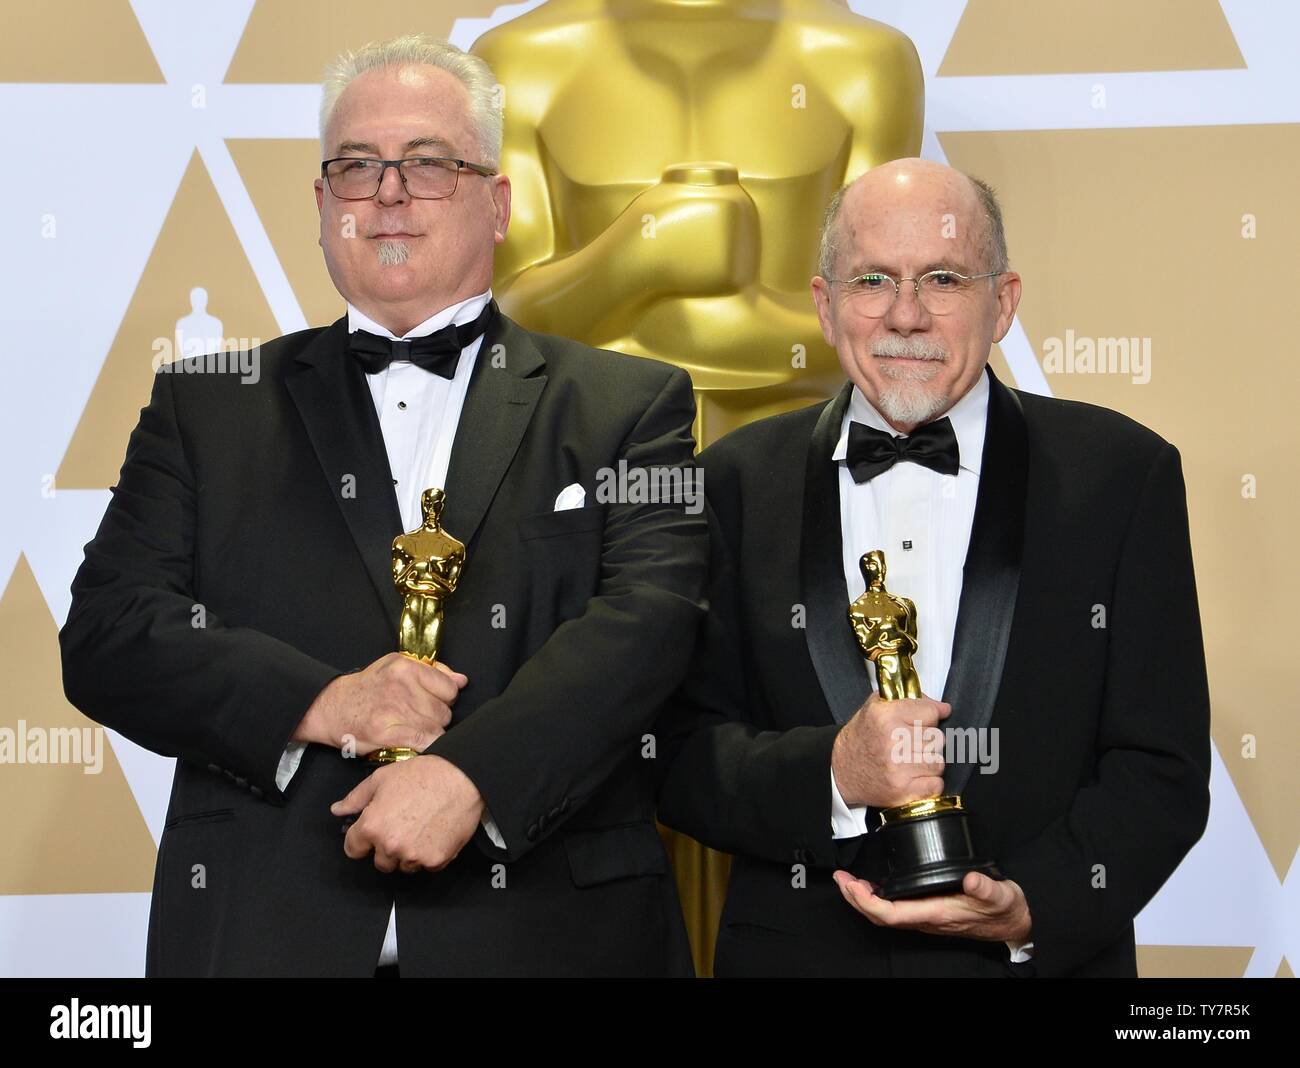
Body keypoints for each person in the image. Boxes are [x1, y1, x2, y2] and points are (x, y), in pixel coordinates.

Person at [59, 33, 706, 977]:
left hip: (551, 938)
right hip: (263, 940)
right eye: (357, 167)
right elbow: (109, 634)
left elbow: (652, 626)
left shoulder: (629, 405)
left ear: (498, 204)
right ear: (323, 206)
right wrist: (326, 702)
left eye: (430, 164)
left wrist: (473, 776)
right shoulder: (206, 407)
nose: (390, 193)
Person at [655, 158, 1211, 977]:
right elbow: (675, 754)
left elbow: (1161, 769)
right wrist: (833, 774)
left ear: (1003, 303)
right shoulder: (731, 484)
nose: (905, 315)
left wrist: (1034, 906)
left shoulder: (1121, 476)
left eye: (943, 279)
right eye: (873, 279)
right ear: (825, 305)